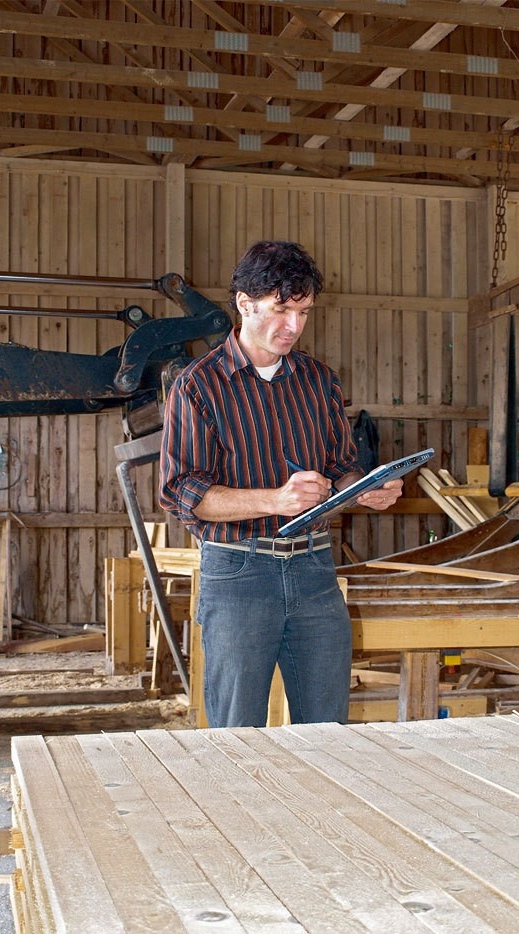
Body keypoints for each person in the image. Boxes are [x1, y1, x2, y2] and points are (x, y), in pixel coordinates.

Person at [159, 240, 403, 728]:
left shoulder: (319, 380)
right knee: (236, 732)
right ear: (244, 304)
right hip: (239, 573)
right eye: (281, 310)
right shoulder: (198, 385)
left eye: (303, 312)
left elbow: (340, 465)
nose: (293, 326)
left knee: (326, 729)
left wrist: (364, 487)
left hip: (314, 570)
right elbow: (184, 493)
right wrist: (275, 500)